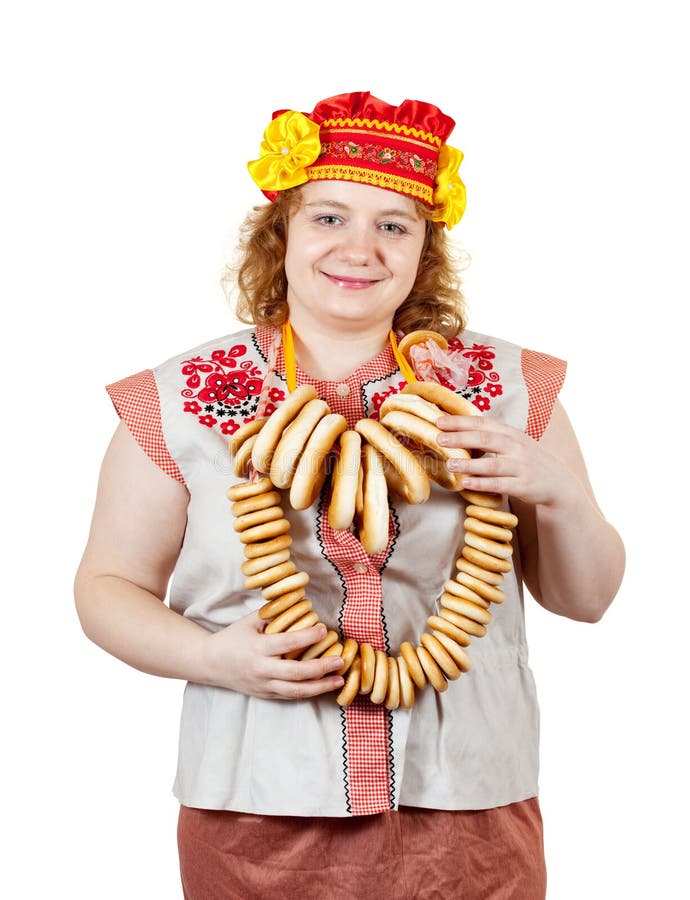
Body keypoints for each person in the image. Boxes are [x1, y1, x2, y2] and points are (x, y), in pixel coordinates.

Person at [74, 91, 625, 899]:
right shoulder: (177, 400)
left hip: (471, 799)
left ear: (424, 249)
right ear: (282, 233)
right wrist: (211, 658)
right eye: (329, 217)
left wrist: (560, 494)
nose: (359, 249)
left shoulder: (508, 391)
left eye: (393, 225)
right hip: (256, 804)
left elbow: (587, 599)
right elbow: (105, 587)